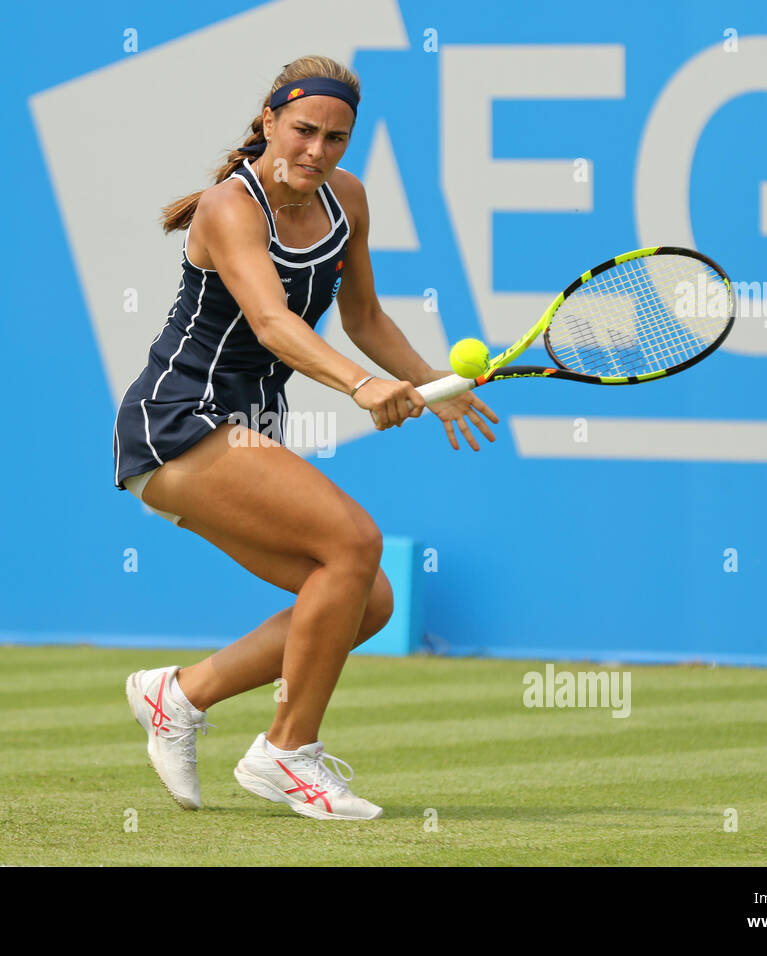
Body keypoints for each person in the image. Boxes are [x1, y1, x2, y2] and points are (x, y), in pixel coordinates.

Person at [114, 55, 498, 820]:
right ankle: (287, 752)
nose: (316, 151)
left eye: (335, 138)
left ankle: (179, 695)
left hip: (248, 430)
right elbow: (272, 322)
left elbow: (364, 318)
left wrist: (429, 384)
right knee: (356, 541)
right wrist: (360, 386)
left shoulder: (347, 200)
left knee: (366, 599)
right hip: (179, 423)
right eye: (302, 130)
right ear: (268, 121)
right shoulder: (231, 206)